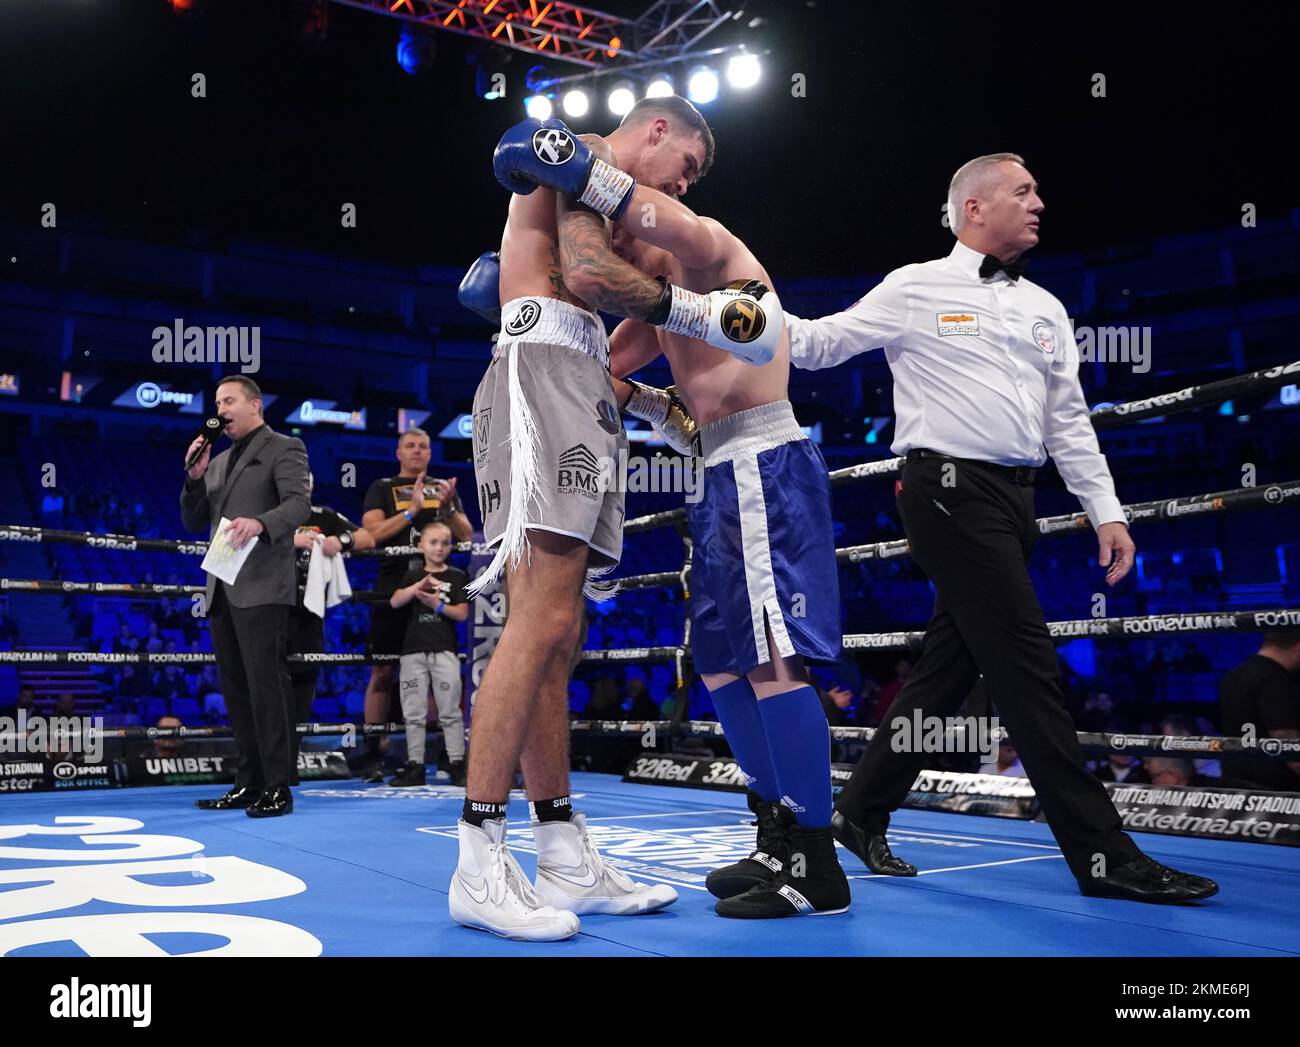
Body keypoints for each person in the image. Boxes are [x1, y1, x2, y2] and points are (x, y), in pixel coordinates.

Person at [779, 152, 1217, 904]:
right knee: (1026, 666)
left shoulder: (1045, 306)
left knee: (948, 667)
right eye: (1024, 190)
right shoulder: (916, 285)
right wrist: (728, 300)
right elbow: (818, 344)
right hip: (946, 490)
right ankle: (1104, 855)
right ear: (974, 208)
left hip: (1018, 500)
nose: (1040, 202)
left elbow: (1069, 422)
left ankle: (857, 809)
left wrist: (1105, 509)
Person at [445, 94, 776, 940]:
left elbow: (616, 322)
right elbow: (589, 277)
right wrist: (702, 313)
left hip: (581, 382)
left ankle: (560, 848)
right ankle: (480, 857)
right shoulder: (586, 153)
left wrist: (668, 402)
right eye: (688, 168)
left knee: (559, 629)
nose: (684, 189)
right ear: (657, 130)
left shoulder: (632, 213)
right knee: (538, 619)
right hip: (541, 372)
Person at [510, 107, 851, 919]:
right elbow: (605, 365)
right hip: (716, 468)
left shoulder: (709, 240)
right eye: (687, 164)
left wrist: (576, 162)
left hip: (766, 461)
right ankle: (773, 833)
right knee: (724, 665)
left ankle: (816, 859)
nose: (688, 181)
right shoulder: (661, 302)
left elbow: (643, 211)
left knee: (772, 658)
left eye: (692, 170)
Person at [181, 374, 310, 817]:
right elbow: (193, 519)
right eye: (217, 401)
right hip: (222, 584)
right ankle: (248, 783)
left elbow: (298, 505)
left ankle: (278, 786)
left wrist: (261, 523)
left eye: (229, 400)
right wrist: (194, 478)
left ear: (254, 405)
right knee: (236, 692)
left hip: (262, 584)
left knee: (266, 689)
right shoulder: (215, 461)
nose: (221, 408)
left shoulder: (283, 447)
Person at [359, 429, 471, 782]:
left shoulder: (442, 488)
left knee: (436, 672)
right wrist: (412, 512)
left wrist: (449, 506)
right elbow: (371, 534)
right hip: (395, 584)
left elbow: (467, 535)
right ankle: (373, 753)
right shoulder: (382, 486)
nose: (418, 451)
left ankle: (441, 756)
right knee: (382, 671)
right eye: (411, 445)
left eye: (424, 446)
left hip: (437, 583)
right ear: (398, 452)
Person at [289, 472, 375, 785]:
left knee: (304, 685)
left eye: (307, 481)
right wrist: (291, 540)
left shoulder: (323, 516)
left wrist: (343, 540)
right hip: (272, 610)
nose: (302, 485)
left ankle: (288, 762)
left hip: (310, 614)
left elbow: (367, 537)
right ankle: (266, 763)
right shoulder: (270, 513)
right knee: (271, 686)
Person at [387, 521, 469, 787]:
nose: (439, 548)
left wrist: (437, 604)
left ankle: (457, 763)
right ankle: (416, 765)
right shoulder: (413, 574)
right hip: (413, 650)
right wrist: (417, 588)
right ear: (421, 545)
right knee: (413, 710)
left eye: (445, 543)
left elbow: (462, 613)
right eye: (433, 542)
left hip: (444, 648)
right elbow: (394, 601)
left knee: (450, 710)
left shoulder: (456, 575)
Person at [1219, 629, 1300, 791]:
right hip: (1274, 790)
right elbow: (1284, 738)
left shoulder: (1233, 674)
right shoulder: (1273, 678)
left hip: (1235, 782)